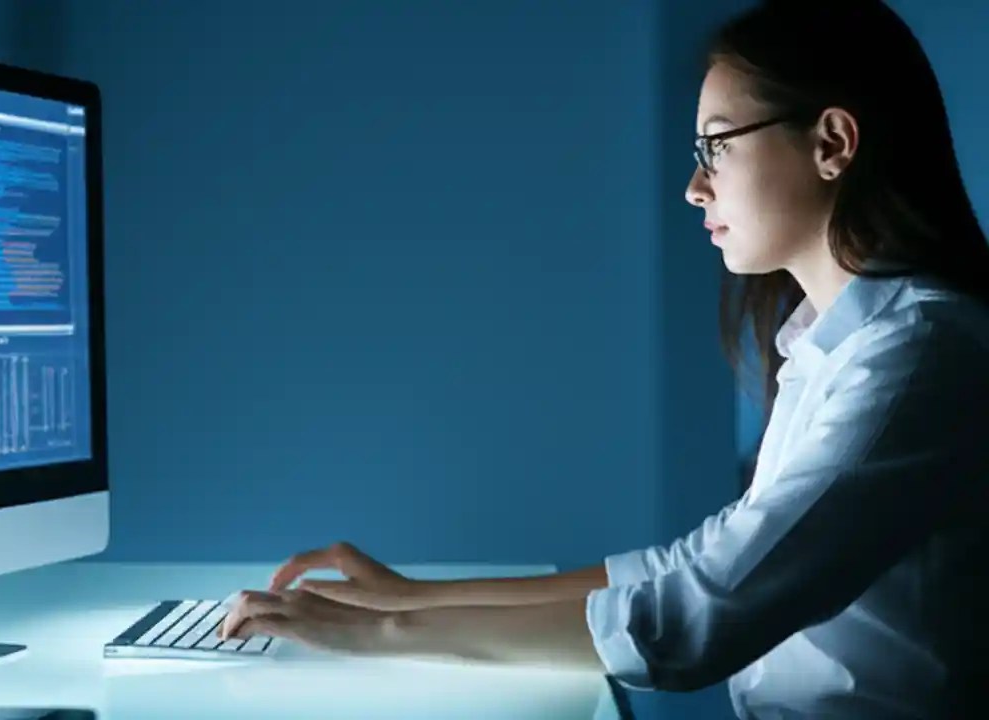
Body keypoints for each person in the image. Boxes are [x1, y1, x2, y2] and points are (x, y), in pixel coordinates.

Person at [219, 0, 989, 717]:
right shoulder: (838, 342)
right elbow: (705, 560)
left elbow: (698, 617)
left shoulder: (916, 359)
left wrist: (379, 634)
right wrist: (406, 601)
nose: (694, 187)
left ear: (832, 143)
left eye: (714, 148)